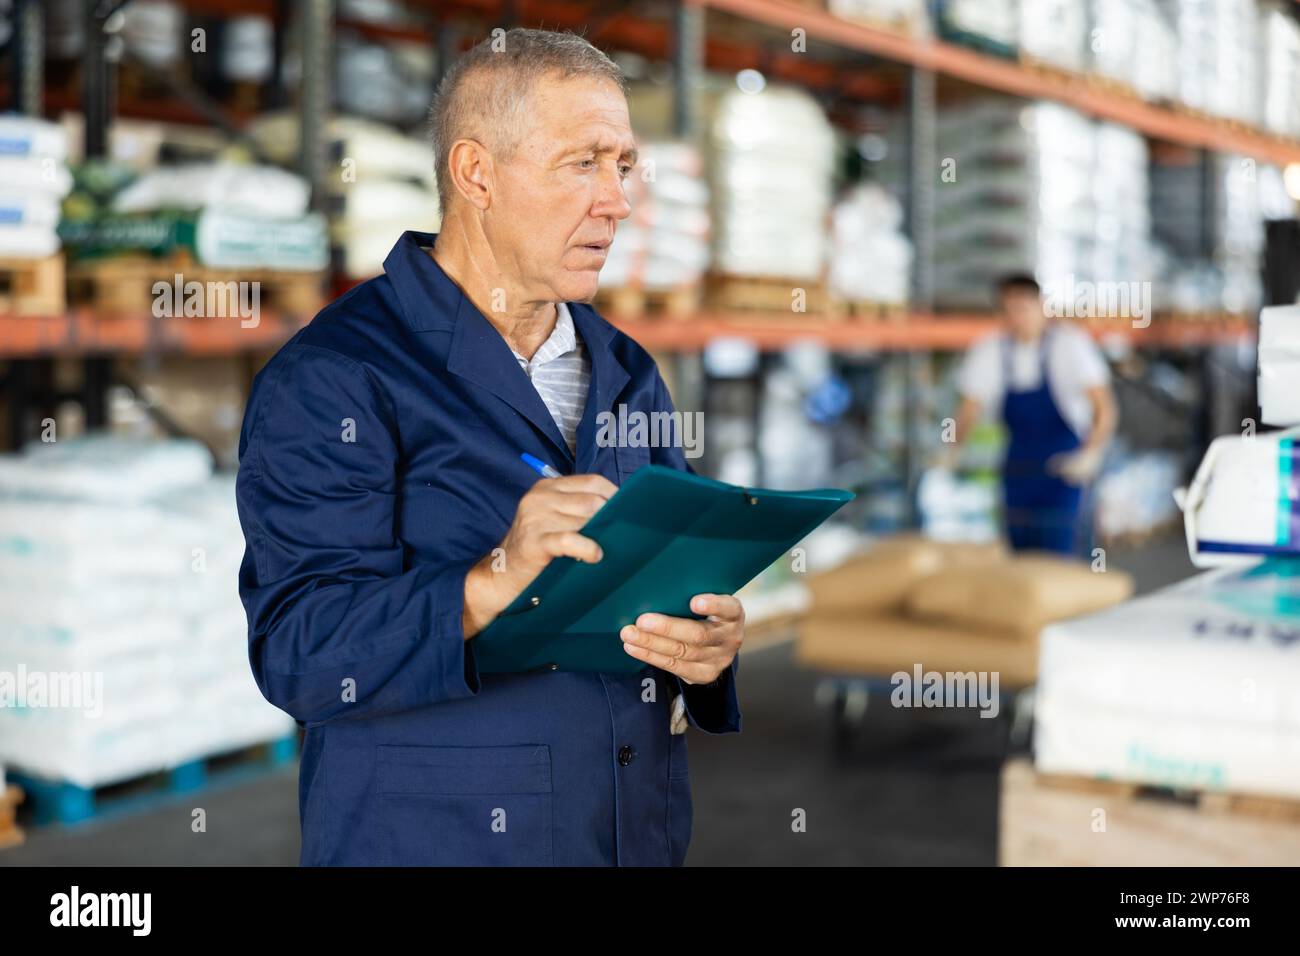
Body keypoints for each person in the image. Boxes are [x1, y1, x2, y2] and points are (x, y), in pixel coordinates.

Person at [234, 29, 743, 867]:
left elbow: (663, 584)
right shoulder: (338, 376)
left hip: (624, 833)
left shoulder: (627, 371)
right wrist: (492, 577)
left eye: (622, 165)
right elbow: (301, 653)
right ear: (476, 175)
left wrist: (707, 651)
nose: (617, 200)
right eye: (582, 164)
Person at [950, 274, 1118, 555]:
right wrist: (951, 448)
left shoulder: (1070, 346)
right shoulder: (990, 350)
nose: (1017, 317)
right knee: (1019, 555)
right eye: (1008, 310)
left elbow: (1105, 408)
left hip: (1064, 471)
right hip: (1017, 470)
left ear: (1041, 305)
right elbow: (966, 409)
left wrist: (1091, 454)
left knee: (1059, 551)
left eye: (1023, 308)